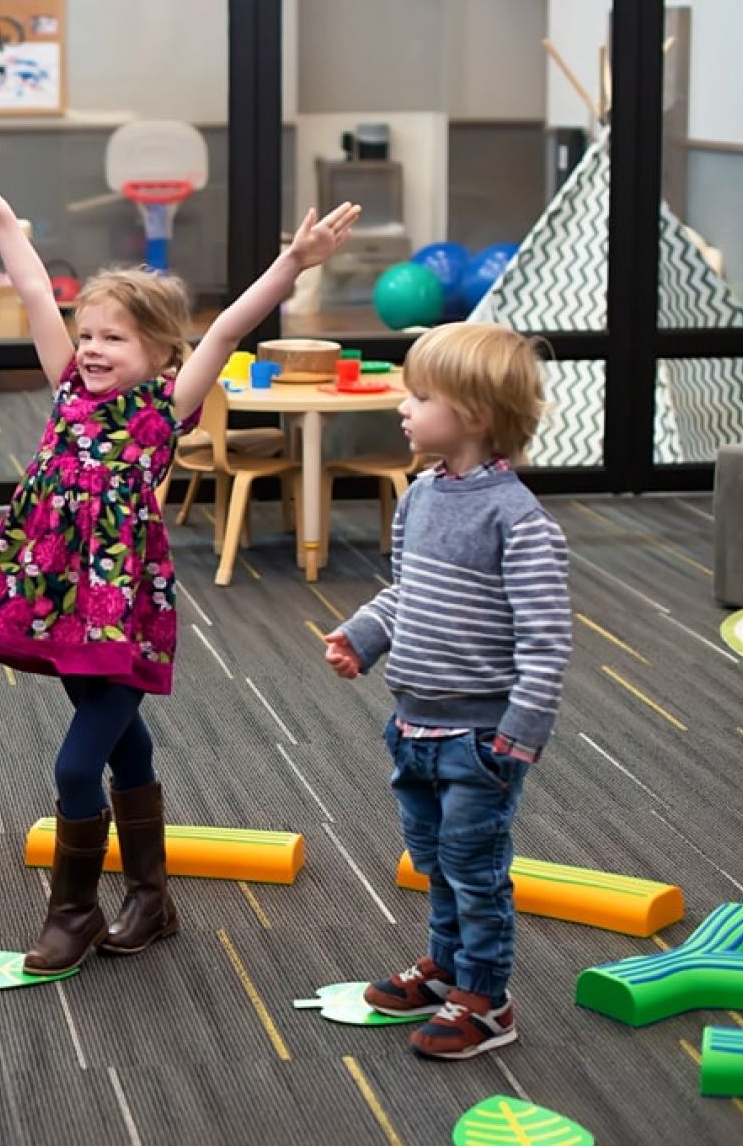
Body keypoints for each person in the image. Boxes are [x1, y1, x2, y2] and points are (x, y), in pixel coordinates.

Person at [0, 174, 360, 972]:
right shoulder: (67, 387)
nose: (93, 348)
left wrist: (294, 263)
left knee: (76, 764)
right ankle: (151, 898)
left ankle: (72, 913)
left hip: (121, 608)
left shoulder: (164, 409)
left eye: (116, 338)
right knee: (127, 749)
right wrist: (2, 213)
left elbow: (230, 325)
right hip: (57, 597)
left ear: (162, 354)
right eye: (88, 333)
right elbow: (33, 287)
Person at [323, 320, 571, 1059]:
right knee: (433, 857)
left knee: (475, 867)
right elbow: (409, 592)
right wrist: (364, 636)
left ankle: (487, 999)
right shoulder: (421, 494)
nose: (404, 407)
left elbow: (547, 642)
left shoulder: (520, 522)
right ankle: (446, 968)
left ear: (476, 415)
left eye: (421, 396)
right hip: (414, 724)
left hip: (482, 737)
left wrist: (517, 738)